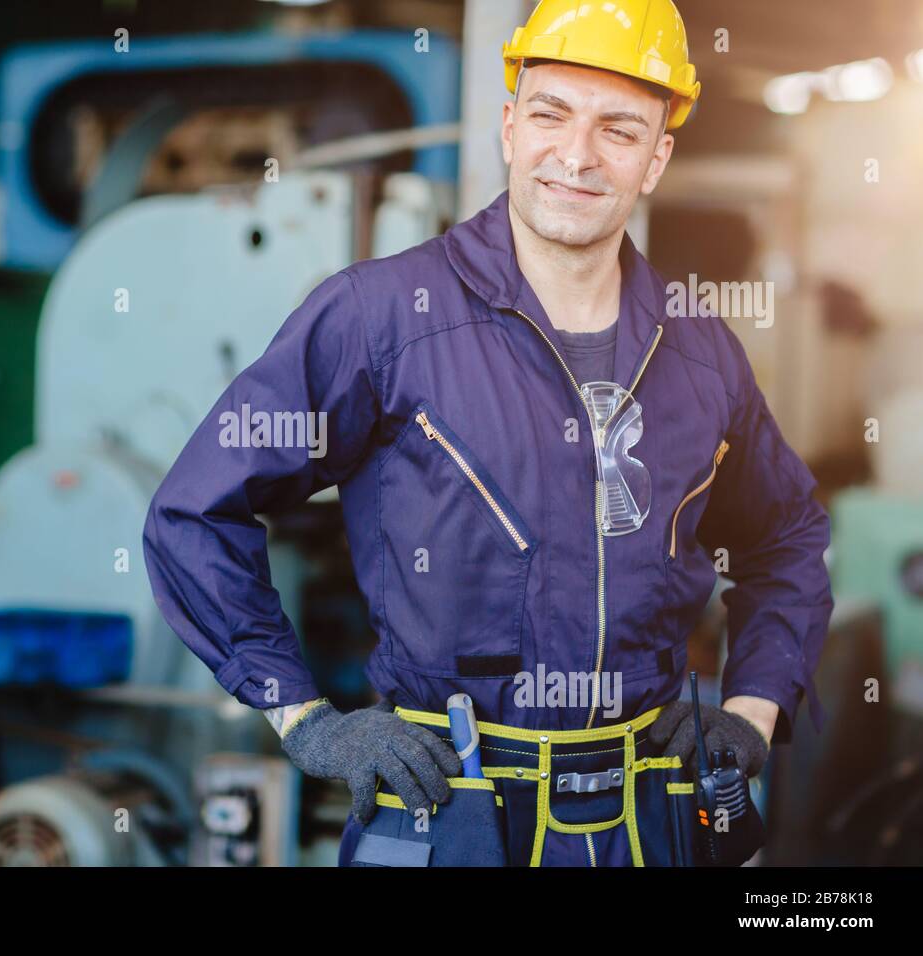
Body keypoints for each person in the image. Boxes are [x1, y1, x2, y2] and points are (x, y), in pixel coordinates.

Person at [143, 0, 832, 866]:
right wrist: (305, 719)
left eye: (619, 130)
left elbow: (787, 538)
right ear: (510, 127)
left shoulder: (701, 353)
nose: (576, 156)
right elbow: (195, 509)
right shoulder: (382, 317)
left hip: (648, 820)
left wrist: (753, 707)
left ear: (656, 157)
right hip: (448, 811)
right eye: (551, 114)